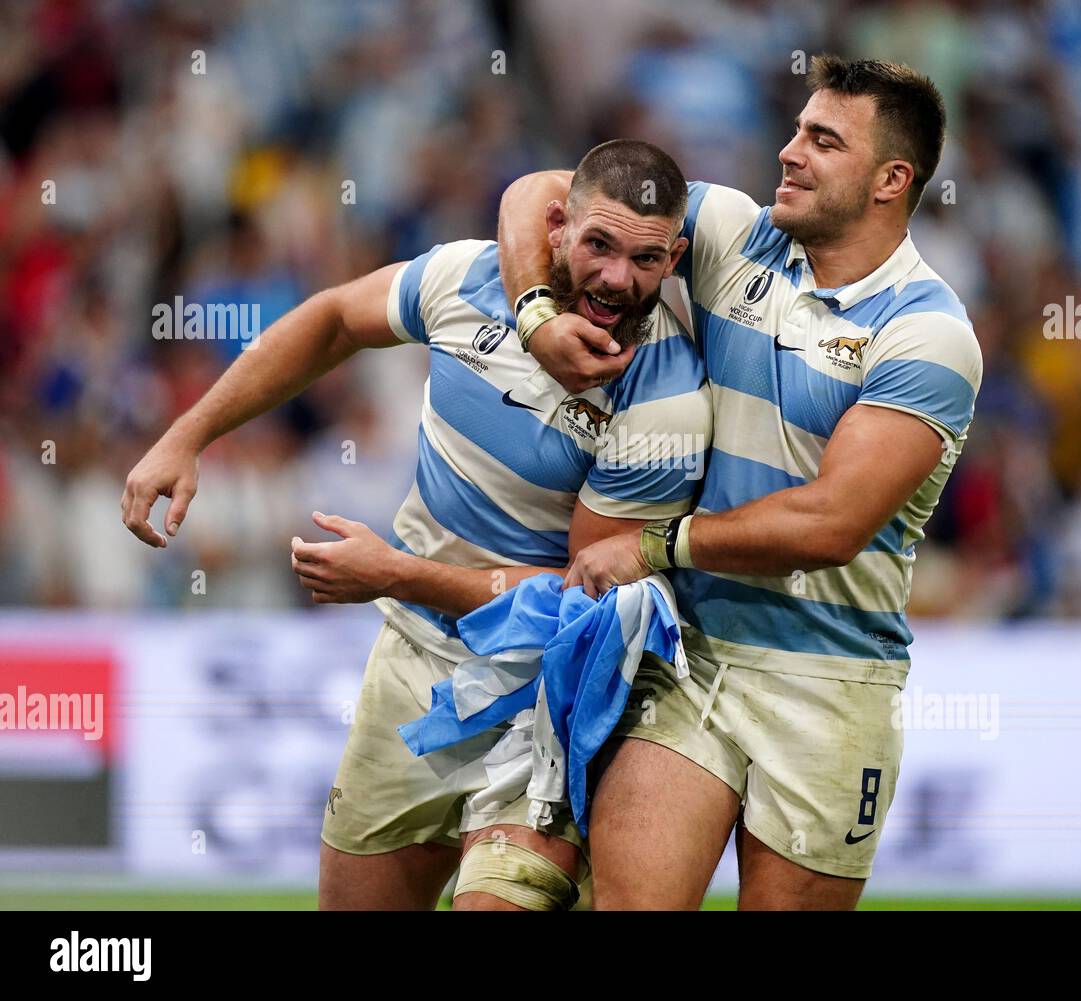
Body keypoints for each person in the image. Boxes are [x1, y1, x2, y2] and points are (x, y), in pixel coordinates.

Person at [121, 139, 711, 910]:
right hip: (411, 665)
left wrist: (397, 574)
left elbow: (580, 597)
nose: (615, 278)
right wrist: (187, 433)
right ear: (559, 226)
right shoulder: (469, 278)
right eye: (599, 244)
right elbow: (334, 319)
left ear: (676, 259)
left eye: (645, 258)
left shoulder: (666, 400)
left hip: (548, 698)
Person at [498, 56, 982, 909]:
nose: (789, 152)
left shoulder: (928, 334)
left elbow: (831, 523)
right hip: (693, 654)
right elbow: (544, 189)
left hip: (829, 683)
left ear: (891, 180)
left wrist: (652, 544)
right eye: (797, 129)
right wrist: (537, 315)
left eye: (823, 141)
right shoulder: (738, 234)